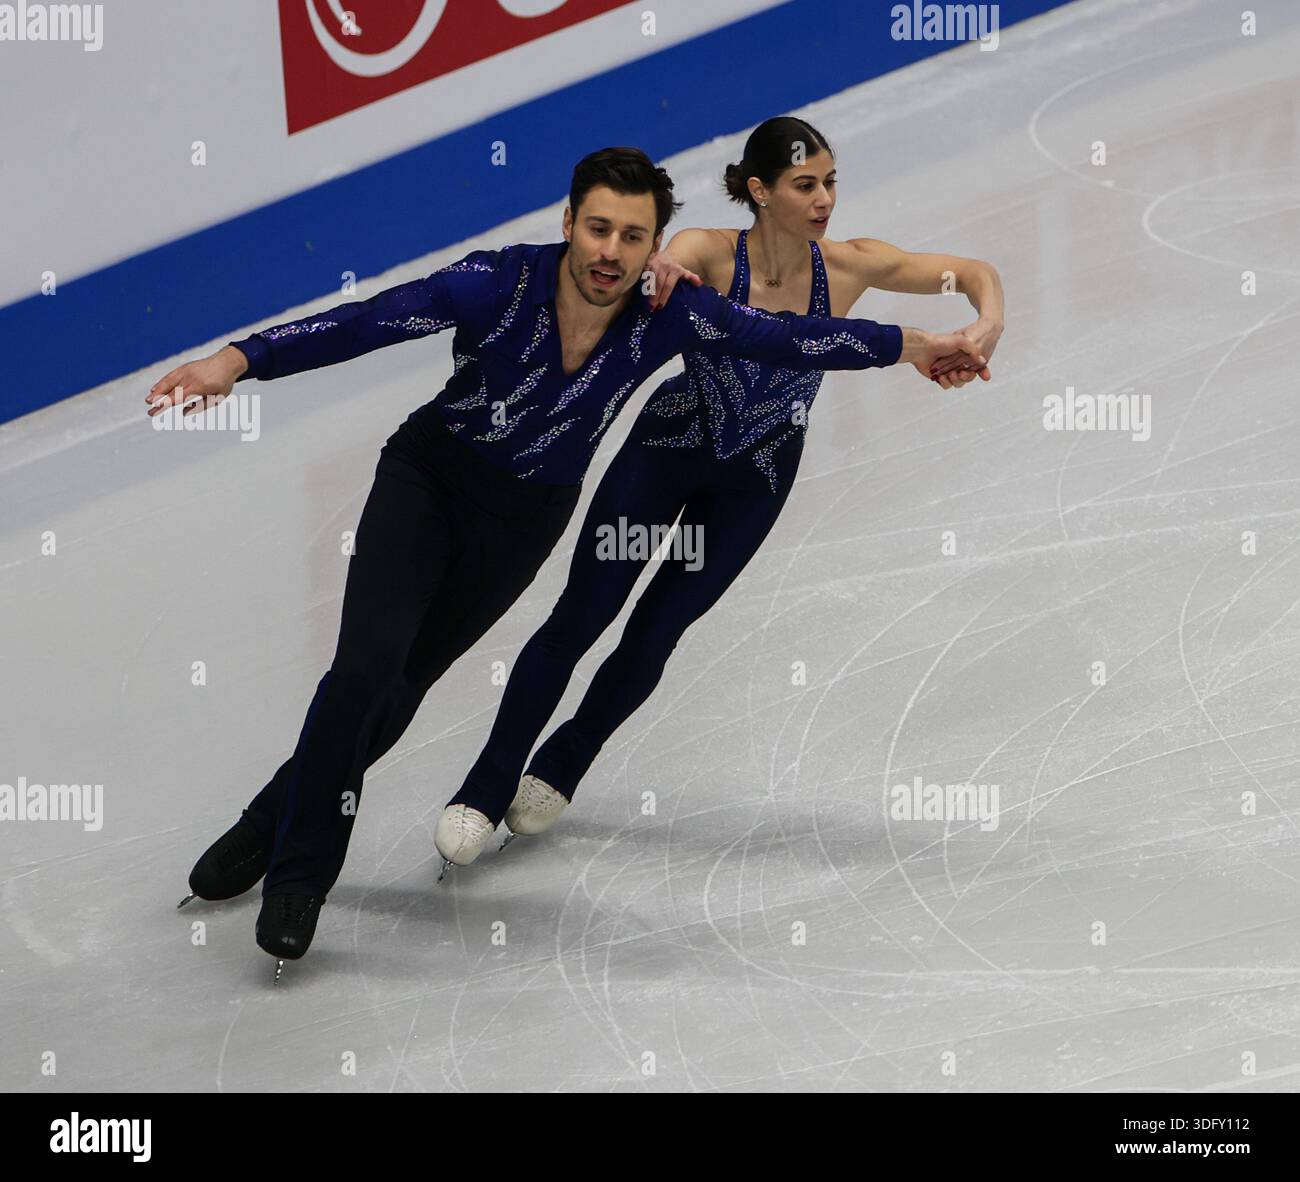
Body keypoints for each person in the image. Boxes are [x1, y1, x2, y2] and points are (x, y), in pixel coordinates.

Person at [147, 145, 984, 975]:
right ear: (568, 224)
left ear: (655, 245)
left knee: (404, 688)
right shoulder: (497, 283)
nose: (609, 253)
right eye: (596, 229)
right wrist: (236, 361)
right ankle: (301, 874)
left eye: (631, 236)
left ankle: (269, 817)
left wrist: (915, 345)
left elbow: (784, 341)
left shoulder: (672, 312)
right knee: (365, 667)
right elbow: (368, 319)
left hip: (525, 521)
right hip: (428, 482)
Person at [438, 117, 1003, 862]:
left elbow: (971, 271)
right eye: (806, 184)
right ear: (761, 191)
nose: (825, 198)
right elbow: (669, 261)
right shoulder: (710, 251)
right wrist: (664, 272)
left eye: (831, 181)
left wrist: (988, 323)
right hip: (665, 454)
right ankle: (484, 786)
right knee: (581, 617)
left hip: (754, 483)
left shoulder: (853, 266)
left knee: (656, 632)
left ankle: (565, 761)